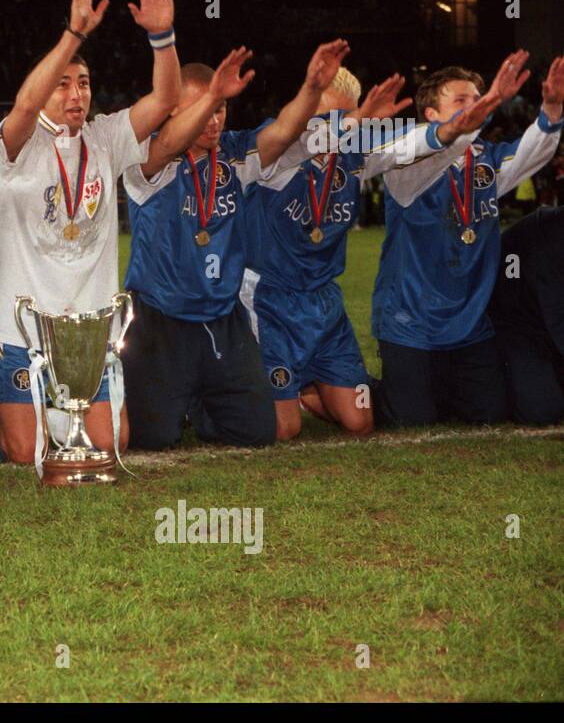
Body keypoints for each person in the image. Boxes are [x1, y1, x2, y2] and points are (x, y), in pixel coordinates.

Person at [0, 0, 180, 465]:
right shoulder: (19, 145)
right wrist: (74, 35)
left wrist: (162, 38)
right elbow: (26, 102)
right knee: (29, 453)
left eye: (83, 83)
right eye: (63, 83)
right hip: (19, 328)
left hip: (88, 330)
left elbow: (165, 101)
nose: (75, 94)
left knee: (111, 446)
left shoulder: (105, 138)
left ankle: (53, 414)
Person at [239, 69, 504, 439]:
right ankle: (242, 392)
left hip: (323, 300)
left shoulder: (354, 157)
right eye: (329, 117)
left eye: (346, 116)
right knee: (283, 430)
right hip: (268, 297)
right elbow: (312, 138)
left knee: (360, 422)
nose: (341, 126)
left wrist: (451, 129)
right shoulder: (276, 152)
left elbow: (407, 145)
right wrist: (358, 122)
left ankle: (305, 389)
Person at [119, 40, 353, 450]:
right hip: (159, 320)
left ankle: (198, 397)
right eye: (203, 111)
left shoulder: (235, 154)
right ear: (173, 110)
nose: (213, 121)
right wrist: (212, 94)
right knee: (154, 439)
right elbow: (170, 145)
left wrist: (312, 89)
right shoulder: (146, 160)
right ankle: (177, 396)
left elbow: (283, 131)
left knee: (256, 433)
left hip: (222, 318)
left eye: (221, 110)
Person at [371, 53, 564, 427]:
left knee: (488, 414)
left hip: (469, 324)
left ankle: (428, 387)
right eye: (461, 100)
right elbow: (430, 151)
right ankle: (376, 390)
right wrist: (492, 101)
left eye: (477, 99)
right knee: (411, 421)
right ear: (431, 114)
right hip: (410, 323)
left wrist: (552, 111)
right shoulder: (406, 165)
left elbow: (529, 155)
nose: (473, 107)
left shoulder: (486, 164)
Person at [489, 205, 564, 425]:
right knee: (541, 411)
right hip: (519, 327)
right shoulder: (548, 236)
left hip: (548, 323)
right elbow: (555, 314)